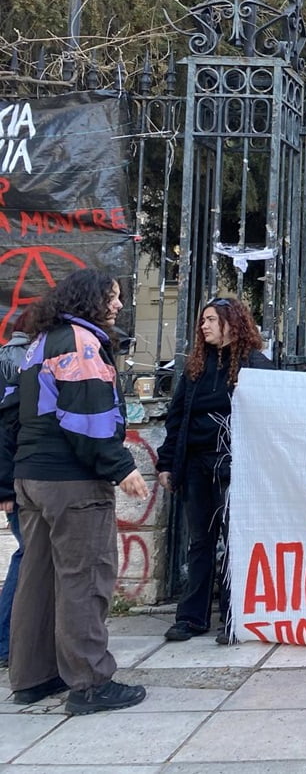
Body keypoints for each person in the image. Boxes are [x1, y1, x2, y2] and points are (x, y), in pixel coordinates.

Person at [0, 270, 149, 714]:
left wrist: (8, 479)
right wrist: (121, 467)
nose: (119, 304)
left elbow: (9, 415)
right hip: (73, 483)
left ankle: (32, 677)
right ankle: (90, 683)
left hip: (32, 478)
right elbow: (87, 415)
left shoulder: (38, 344)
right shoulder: (81, 344)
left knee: (38, 578)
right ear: (90, 299)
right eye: (113, 296)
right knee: (84, 577)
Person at [155, 297, 272, 645]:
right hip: (196, 463)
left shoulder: (254, 365)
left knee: (235, 539)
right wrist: (165, 462)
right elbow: (176, 417)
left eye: (211, 319)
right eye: (202, 319)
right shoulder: (195, 367)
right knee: (201, 540)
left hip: (236, 463)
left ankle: (235, 616)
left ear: (232, 323)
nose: (203, 326)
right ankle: (191, 618)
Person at [0, 310, 35, 669]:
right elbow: (6, 430)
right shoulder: (21, 362)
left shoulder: (8, 356)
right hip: (17, 477)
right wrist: (4, 488)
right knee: (27, 556)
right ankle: (6, 640)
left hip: (13, 477)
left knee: (26, 555)